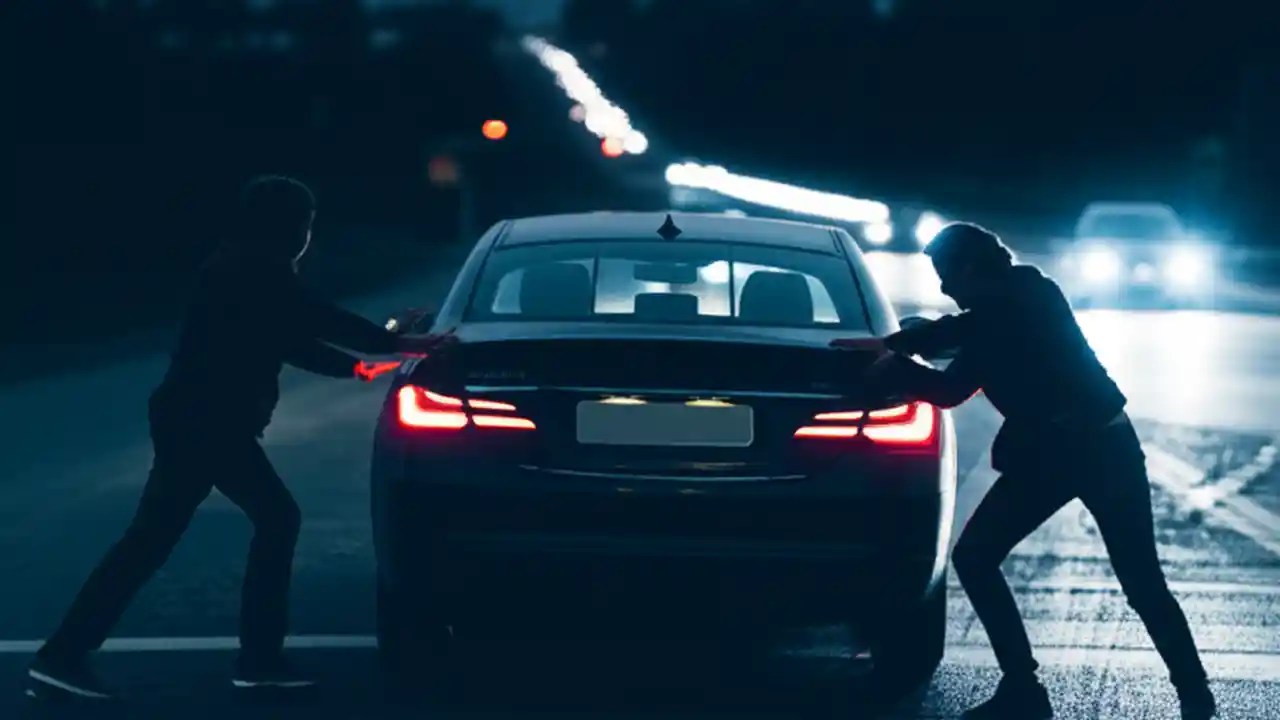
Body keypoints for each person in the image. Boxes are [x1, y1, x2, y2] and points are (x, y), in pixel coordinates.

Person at [27, 176, 451, 700]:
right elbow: (313, 319)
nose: (307, 237)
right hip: (208, 424)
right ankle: (258, 659)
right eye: (305, 225)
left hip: (195, 421)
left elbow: (288, 337)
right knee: (272, 519)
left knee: (152, 539)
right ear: (288, 226)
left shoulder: (239, 267)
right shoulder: (253, 271)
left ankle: (65, 652)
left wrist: (361, 366)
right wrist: (396, 343)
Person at [847, 223, 1215, 720]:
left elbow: (953, 387)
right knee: (984, 558)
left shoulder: (1010, 309)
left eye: (946, 274)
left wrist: (896, 366)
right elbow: (958, 328)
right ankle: (1034, 690)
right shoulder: (1030, 290)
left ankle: (1178, 696)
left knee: (1132, 580)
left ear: (973, 267)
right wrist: (897, 342)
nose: (943, 287)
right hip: (1075, 449)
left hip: (1091, 452)